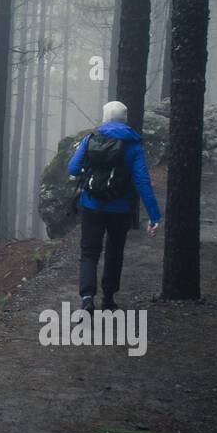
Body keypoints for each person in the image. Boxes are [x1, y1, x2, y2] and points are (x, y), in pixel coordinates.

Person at [66, 100, 162, 312]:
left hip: (92, 206)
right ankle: (108, 300)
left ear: (105, 117)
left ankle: (87, 297)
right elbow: (142, 181)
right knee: (114, 252)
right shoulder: (133, 145)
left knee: (89, 252)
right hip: (120, 208)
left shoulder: (91, 138)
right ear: (125, 119)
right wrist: (154, 216)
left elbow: (72, 168)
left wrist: (88, 175)